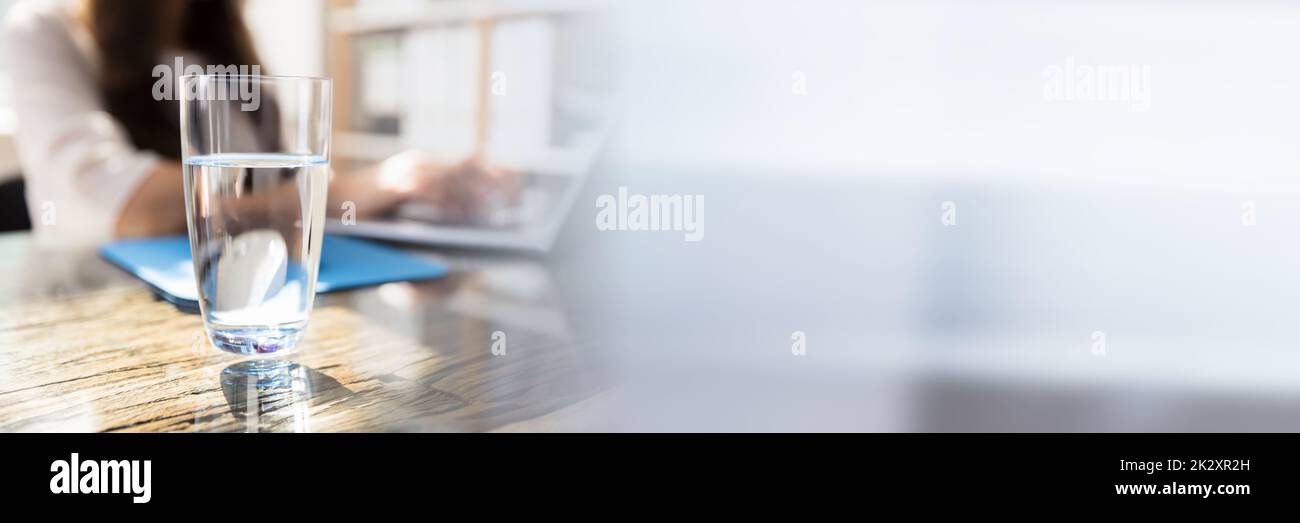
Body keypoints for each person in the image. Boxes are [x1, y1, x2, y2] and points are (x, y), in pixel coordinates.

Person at [1, 0, 515, 244]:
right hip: (101, 321)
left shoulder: (219, 47)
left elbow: (271, 190)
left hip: (254, 280)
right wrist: (341, 192)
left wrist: (409, 199)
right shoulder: (42, 31)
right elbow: (119, 200)